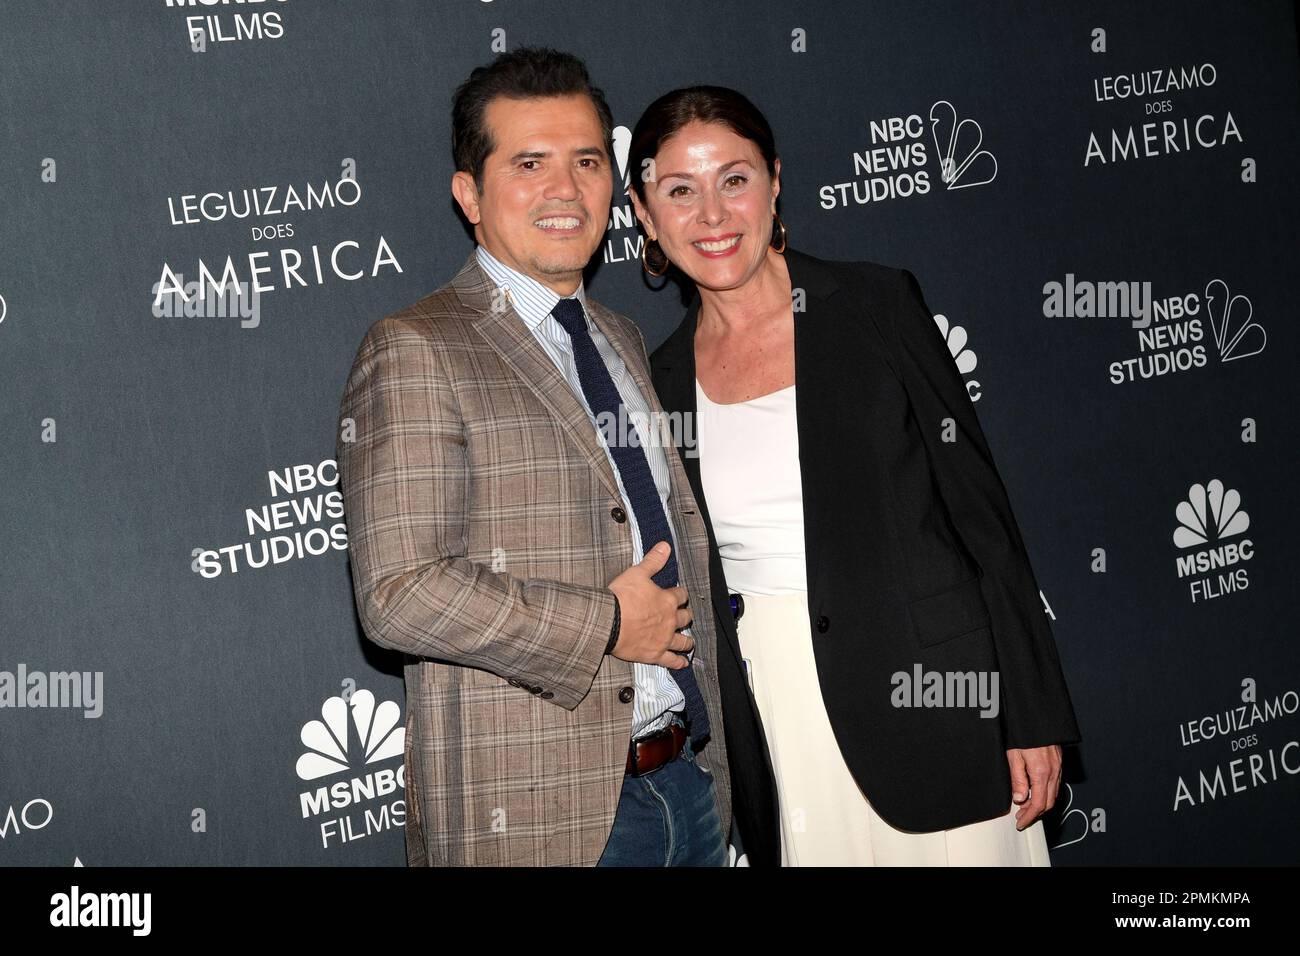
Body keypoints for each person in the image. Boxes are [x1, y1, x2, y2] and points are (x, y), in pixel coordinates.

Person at [632, 86, 1083, 865]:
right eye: (680, 190)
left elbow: (982, 515)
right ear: (644, 215)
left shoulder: (877, 303)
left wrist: (1032, 710)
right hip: (778, 711)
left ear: (775, 182)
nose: (712, 214)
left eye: (734, 179)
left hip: (934, 693)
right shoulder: (656, 378)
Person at [337, 50, 734, 866]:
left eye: (587, 161)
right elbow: (397, 594)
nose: (567, 189)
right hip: (537, 824)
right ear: (469, 195)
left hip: (689, 792)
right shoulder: (417, 347)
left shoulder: (622, 337)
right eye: (529, 164)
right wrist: (608, 622)